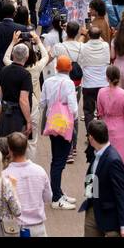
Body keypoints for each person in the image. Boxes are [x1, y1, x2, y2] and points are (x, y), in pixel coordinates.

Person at [79, 119, 124, 237]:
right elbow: (92, 174)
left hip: (109, 217)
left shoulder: (113, 161)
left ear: (91, 138)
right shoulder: (96, 152)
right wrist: (89, 194)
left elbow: (121, 193)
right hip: (93, 209)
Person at [40, 55, 78, 209]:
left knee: (56, 158)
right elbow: (74, 108)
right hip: (64, 123)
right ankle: (56, 198)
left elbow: (42, 102)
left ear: (56, 68)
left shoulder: (48, 81)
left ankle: (58, 191)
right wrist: (71, 119)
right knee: (59, 161)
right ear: (70, 68)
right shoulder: (68, 83)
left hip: (52, 121)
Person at [94, 65, 124, 190]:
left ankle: (106, 188)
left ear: (107, 78)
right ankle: (121, 189)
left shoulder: (101, 92)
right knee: (122, 160)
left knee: (105, 159)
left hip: (106, 128)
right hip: (121, 130)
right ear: (119, 77)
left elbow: (100, 112)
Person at [2, 131, 51, 236]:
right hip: (38, 228)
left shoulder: (4, 175)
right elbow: (48, 198)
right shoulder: (40, 171)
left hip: (13, 229)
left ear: (10, 150)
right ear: (26, 148)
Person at [0, 42, 34, 138]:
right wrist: (29, 121)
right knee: (16, 143)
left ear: (13, 54)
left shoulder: (4, 70)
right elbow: (23, 100)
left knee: (3, 141)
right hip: (17, 115)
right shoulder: (25, 74)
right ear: (27, 56)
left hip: (5, 111)